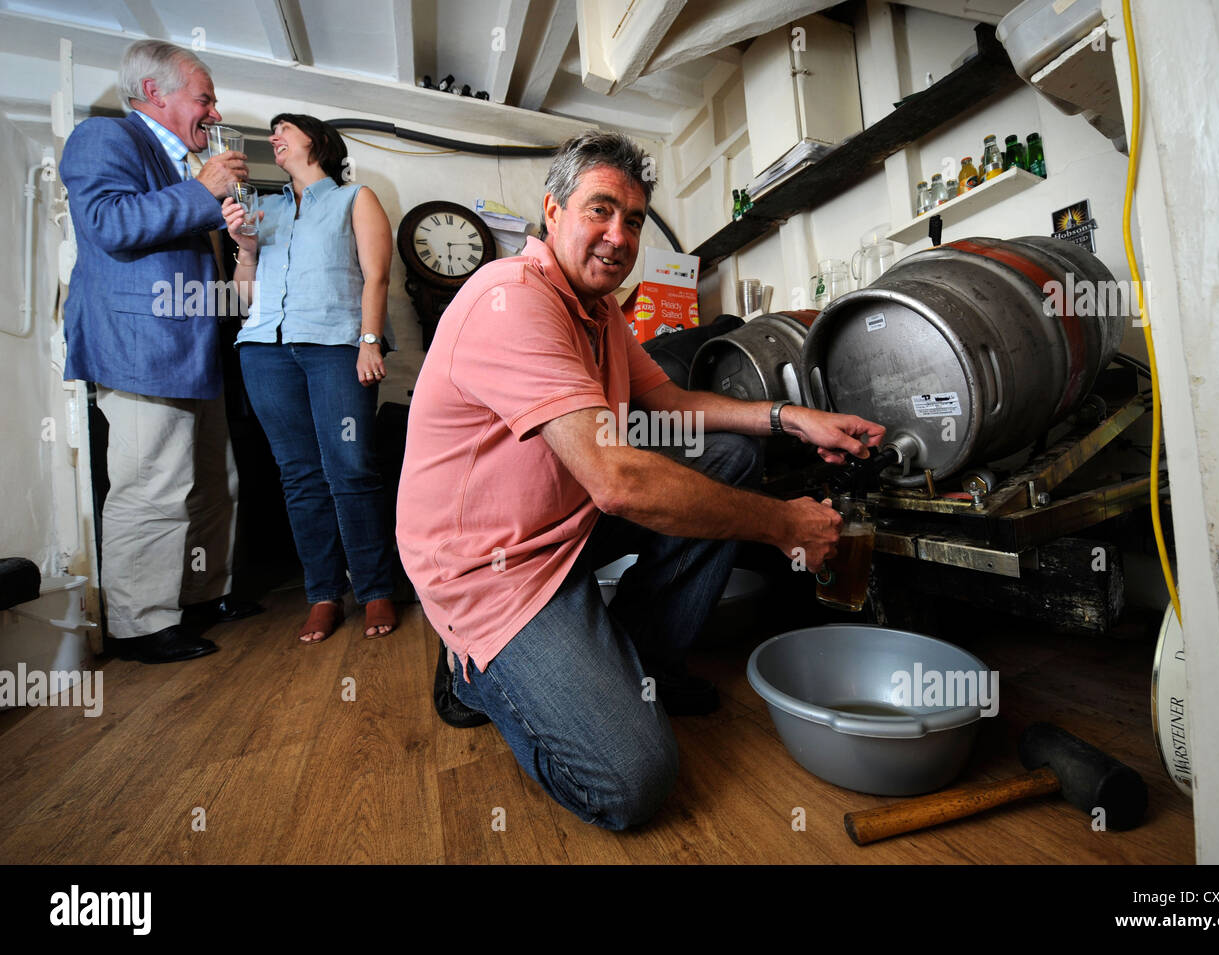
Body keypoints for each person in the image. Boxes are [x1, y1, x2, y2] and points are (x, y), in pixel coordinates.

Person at [396, 130, 885, 831]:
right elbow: (619, 481)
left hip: (566, 524)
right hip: (491, 571)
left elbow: (676, 405)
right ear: (553, 212)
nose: (617, 236)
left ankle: (643, 662)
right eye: (600, 210)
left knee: (730, 459)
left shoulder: (599, 313)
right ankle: (473, 669)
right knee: (633, 781)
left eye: (631, 220)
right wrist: (783, 525)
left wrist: (791, 418)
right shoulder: (513, 301)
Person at [60, 39, 262, 665]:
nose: (214, 109)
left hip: (192, 346)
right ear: (155, 94)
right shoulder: (104, 138)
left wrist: (235, 240)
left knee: (212, 480)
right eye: (204, 97)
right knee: (153, 484)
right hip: (140, 347)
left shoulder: (182, 164)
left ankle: (203, 594)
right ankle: (141, 623)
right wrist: (203, 190)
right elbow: (109, 225)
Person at [222, 114, 398, 644]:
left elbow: (377, 275)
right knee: (299, 476)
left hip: (335, 347)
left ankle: (375, 590)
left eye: (284, 129)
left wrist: (369, 341)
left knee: (351, 467)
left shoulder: (355, 198)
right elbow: (241, 299)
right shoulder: (262, 210)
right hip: (264, 351)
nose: (273, 137)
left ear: (316, 142)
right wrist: (246, 250)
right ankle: (322, 594)